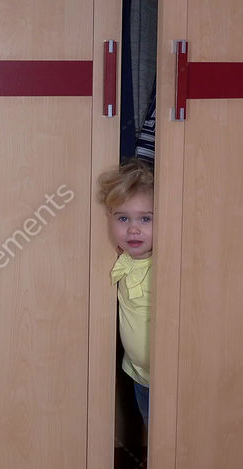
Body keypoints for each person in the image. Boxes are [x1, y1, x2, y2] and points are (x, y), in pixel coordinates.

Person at [98, 158, 154, 436]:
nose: (133, 229)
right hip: (139, 377)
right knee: (155, 439)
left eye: (145, 218)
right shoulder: (123, 259)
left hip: (170, 378)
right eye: (123, 218)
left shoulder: (163, 267)